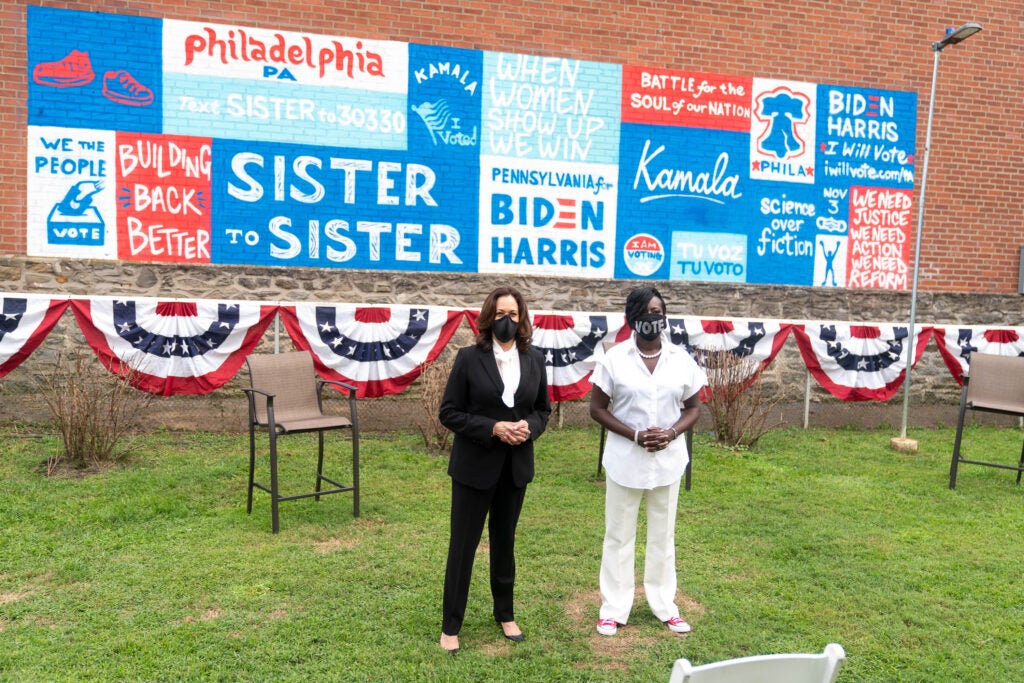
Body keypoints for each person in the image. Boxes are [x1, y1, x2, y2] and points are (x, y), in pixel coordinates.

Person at [438, 286, 552, 655]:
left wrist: (527, 428)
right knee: (463, 547)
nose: (507, 320)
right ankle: (451, 624)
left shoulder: (534, 360)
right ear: (489, 317)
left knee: (505, 544)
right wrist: (493, 428)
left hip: (514, 469)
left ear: (522, 320)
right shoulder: (469, 358)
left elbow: (542, 410)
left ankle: (505, 614)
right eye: (501, 314)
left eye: (514, 315)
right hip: (474, 468)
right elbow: (449, 412)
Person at [589, 286, 707, 637]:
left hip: (668, 462)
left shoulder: (681, 359)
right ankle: (613, 608)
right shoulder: (614, 359)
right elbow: (596, 409)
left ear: (665, 316)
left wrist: (671, 433)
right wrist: (635, 435)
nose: (652, 318)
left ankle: (664, 605)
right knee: (619, 536)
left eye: (658, 311)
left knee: (662, 536)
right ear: (631, 319)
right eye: (645, 312)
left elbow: (694, 408)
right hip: (626, 461)